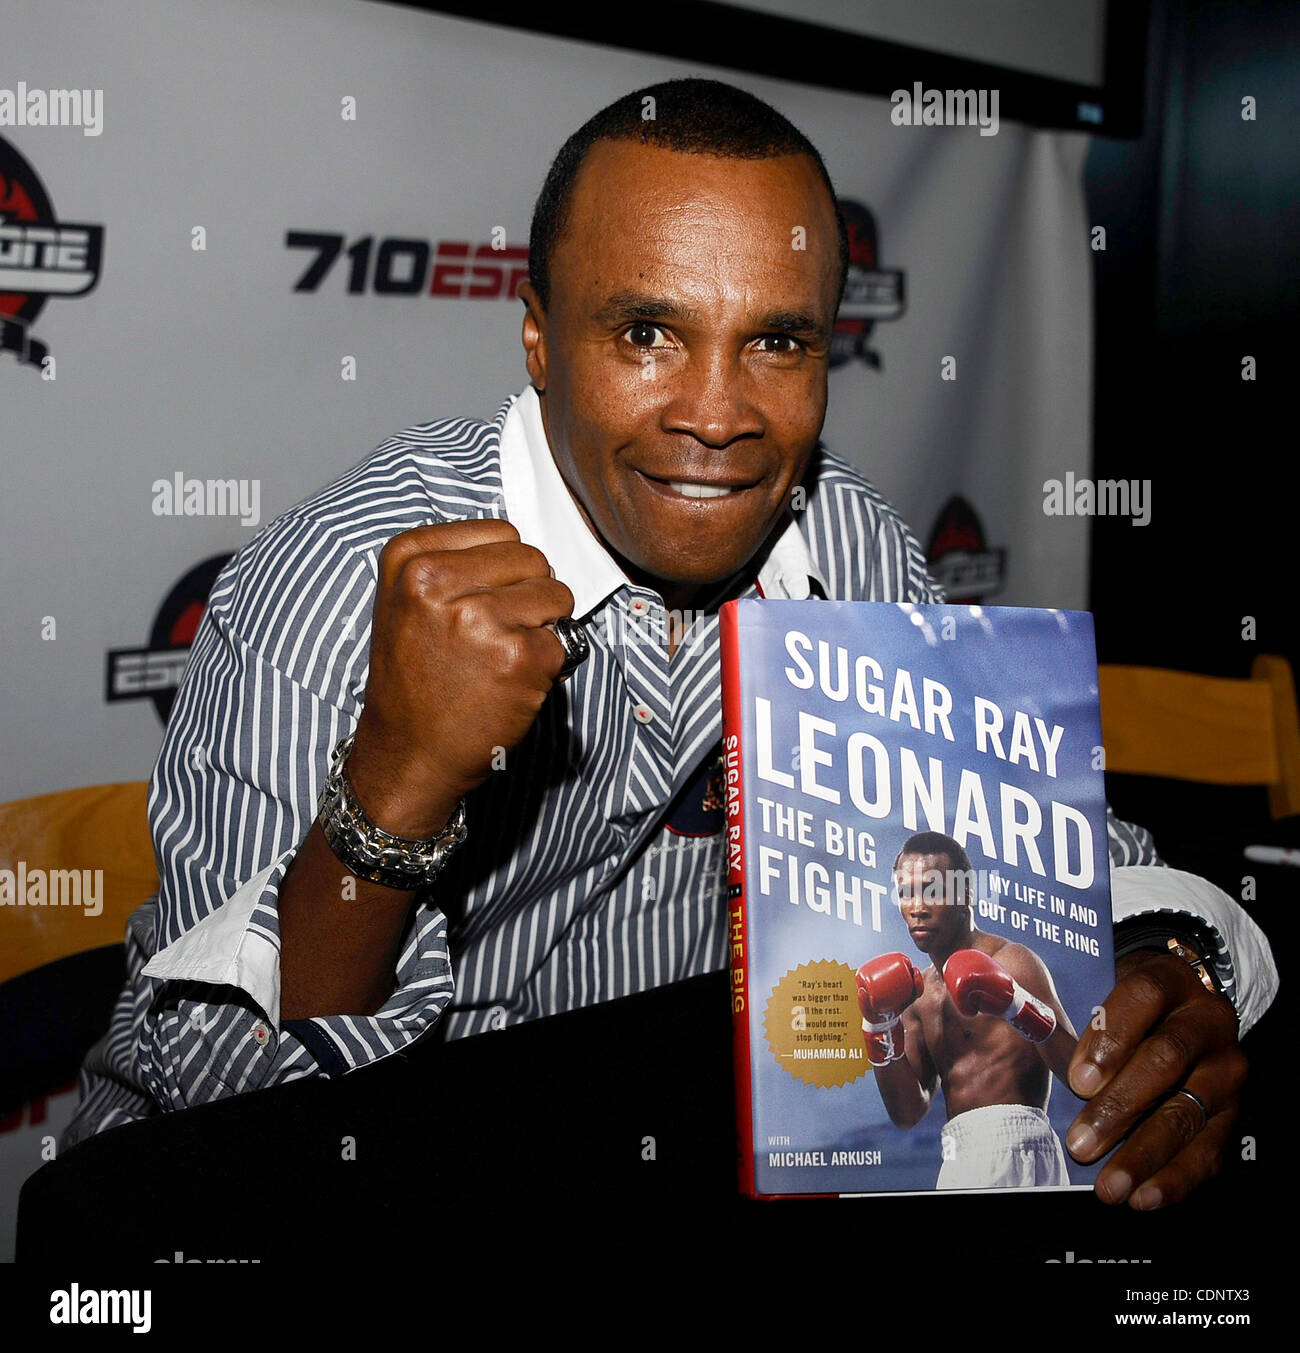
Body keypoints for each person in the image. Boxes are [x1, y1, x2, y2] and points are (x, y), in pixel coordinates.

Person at [64, 78, 1272, 1215]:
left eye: (778, 343)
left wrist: (1166, 965)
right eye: (646, 331)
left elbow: (1041, 848)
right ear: (537, 339)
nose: (716, 414)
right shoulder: (329, 586)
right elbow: (212, 1128)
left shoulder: (843, 538)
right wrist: (395, 795)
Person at [858, 832, 1080, 1189]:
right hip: (958, 1152)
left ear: (965, 896)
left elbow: (1079, 1074)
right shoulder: (917, 997)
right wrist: (876, 1028)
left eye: (932, 890)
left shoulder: (1012, 962)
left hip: (1021, 1146)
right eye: (906, 893)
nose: (917, 907)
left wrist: (1016, 1005)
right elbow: (907, 1113)